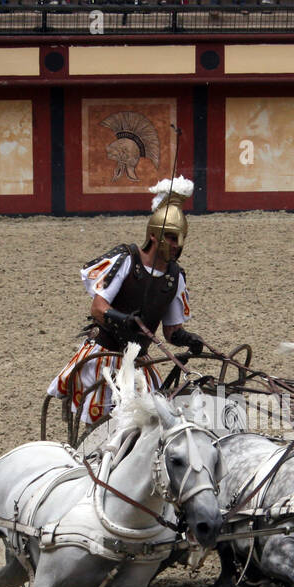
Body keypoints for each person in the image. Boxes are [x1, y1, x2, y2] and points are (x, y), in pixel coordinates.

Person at [47, 176, 205, 426]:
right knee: (101, 423)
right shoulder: (127, 260)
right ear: (154, 235)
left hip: (138, 360)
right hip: (105, 354)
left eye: (181, 238)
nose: (177, 245)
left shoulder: (174, 278)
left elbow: (171, 331)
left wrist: (188, 338)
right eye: (172, 237)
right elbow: (98, 308)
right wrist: (124, 320)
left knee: (151, 424)